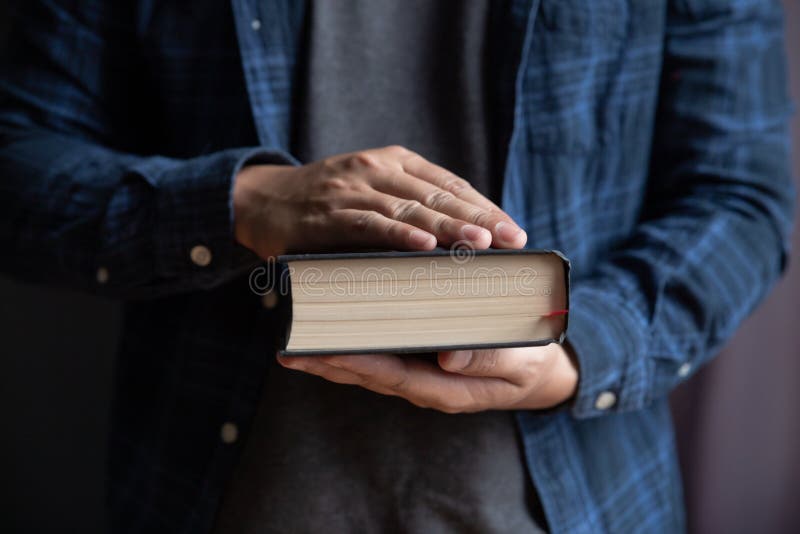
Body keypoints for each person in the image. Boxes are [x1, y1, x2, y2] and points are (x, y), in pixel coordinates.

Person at [0, 0, 793, 532]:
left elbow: (743, 190)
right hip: (221, 497)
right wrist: (246, 202)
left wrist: (585, 345)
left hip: (578, 503)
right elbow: (19, 164)